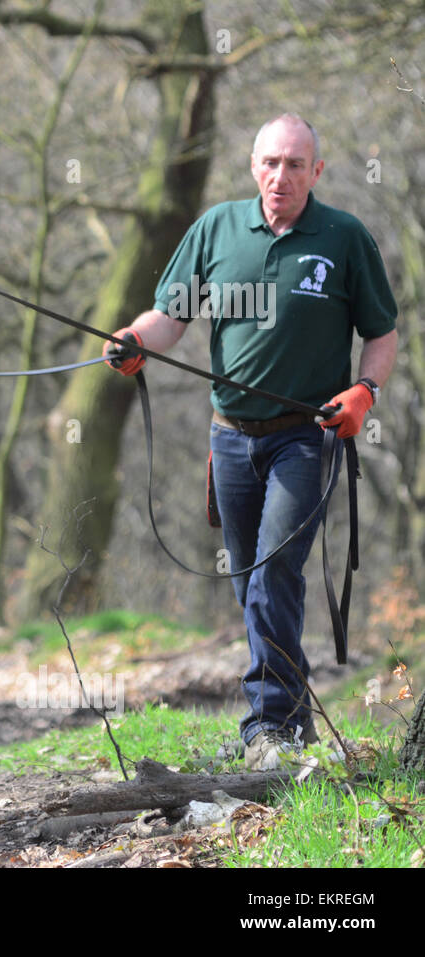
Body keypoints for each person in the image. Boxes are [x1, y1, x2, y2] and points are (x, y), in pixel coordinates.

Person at [105, 113, 398, 770]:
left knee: (274, 571)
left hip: (304, 440)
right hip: (230, 439)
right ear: (253, 166)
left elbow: (383, 333)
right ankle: (293, 721)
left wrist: (364, 392)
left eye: (296, 164)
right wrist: (132, 342)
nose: (280, 175)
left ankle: (270, 727)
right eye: (270, 162)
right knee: (252, 583)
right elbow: (169, 319)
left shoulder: (345, 238)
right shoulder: (215, 228)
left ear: (316, 172)